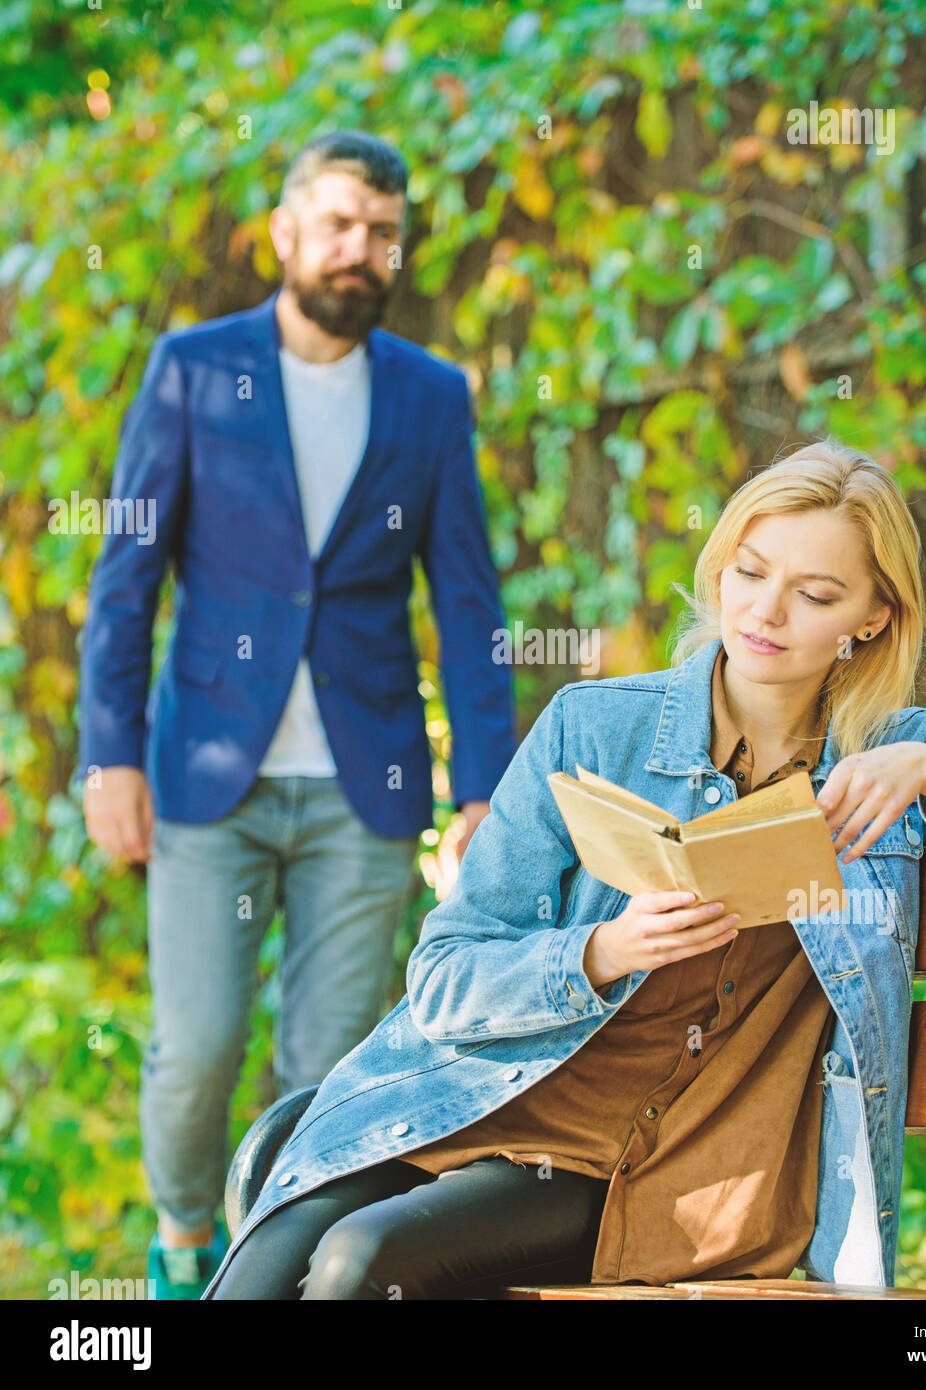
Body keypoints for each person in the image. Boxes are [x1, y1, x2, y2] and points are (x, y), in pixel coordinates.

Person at [202, 439, 926, 1300]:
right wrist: (599, 953)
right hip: (478, 1103)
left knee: (363, 1259)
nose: (765, 614)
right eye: (750, 573)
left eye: (813, 594)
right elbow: (443, 978)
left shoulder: (890, 765)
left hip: (668, 1176)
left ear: (872, 617)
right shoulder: (592, 728)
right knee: (280, 1243)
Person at [76, 131, 517, 1297]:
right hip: (205, 773)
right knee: (196, 1052)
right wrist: (107, 756)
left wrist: (486, 788)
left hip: (365, 787)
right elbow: (126, 580)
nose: (358, 250)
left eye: (382, 231)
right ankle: (183, 1251)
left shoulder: (429, 395)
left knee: (326, 1067)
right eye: (336, 224)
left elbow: (468, 600)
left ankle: (271, 1279)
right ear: (284, 232)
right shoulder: (189, 369)